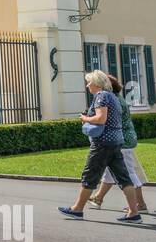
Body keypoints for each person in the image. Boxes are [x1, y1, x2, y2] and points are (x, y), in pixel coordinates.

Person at [58, 70, 142, 222]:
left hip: (103, 143)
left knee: (90, 175)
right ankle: (134, 213)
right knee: (123, 178)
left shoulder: (101, 96)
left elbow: (101, 119)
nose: (87, 85)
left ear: (96, 83)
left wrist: (85, 118)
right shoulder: (114, 98)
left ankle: (77, 209)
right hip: (116, 141)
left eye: (89, 82)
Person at [90, 72, 150, 212]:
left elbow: (102, 119)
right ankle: (98, 198)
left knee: (128, 173)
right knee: (112, 171)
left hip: (120, 140)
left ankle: (139, 205)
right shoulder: (117, 98)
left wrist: (88, 118)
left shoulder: (111, 99)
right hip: (124, 139)